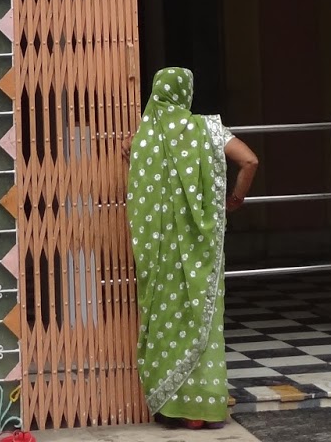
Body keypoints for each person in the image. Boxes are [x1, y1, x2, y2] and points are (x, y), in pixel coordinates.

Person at [125, 67, 259, 430]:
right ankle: (203, 409)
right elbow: (249, 160)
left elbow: (139, 175)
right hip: (199, 254)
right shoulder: (208, 130)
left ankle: (172, 408)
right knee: (201, 319)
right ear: (186, 93)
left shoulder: (143, 138)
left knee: (166, 320)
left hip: (158, 258)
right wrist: (235, 198)